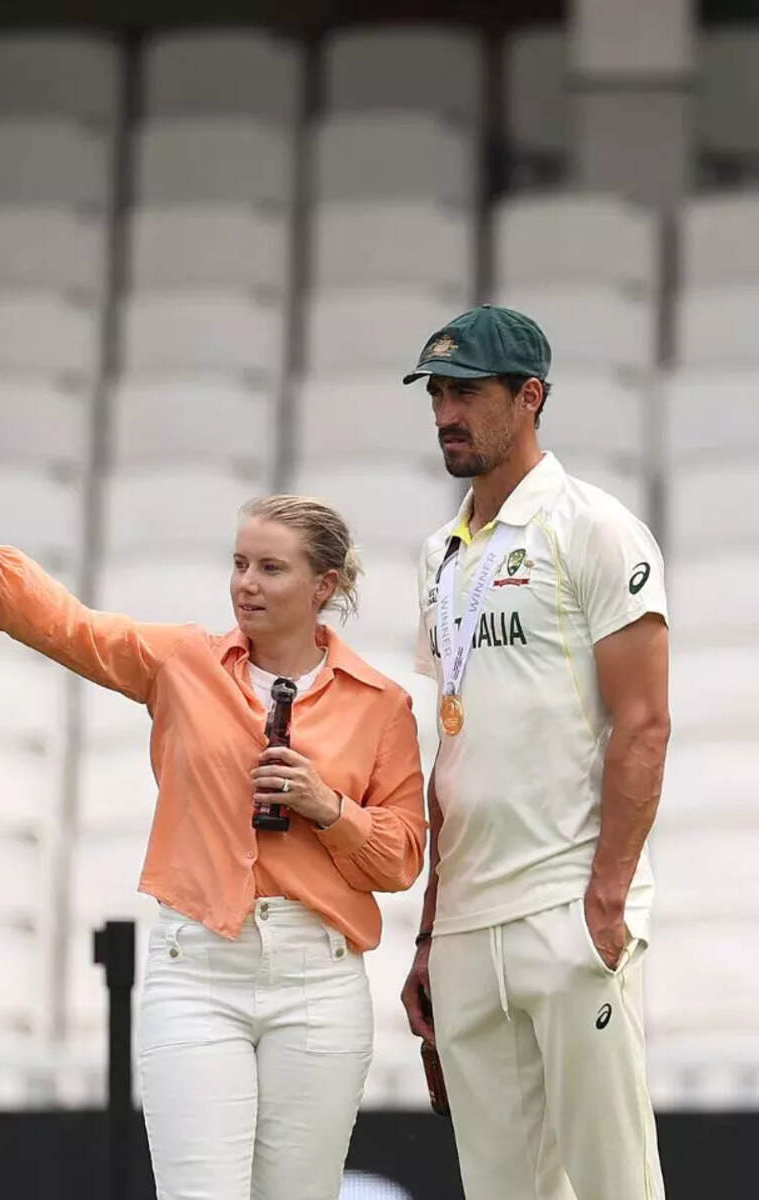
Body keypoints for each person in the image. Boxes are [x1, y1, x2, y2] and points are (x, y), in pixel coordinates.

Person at [0, 446, 426, 1200]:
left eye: (271, 568)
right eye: (239, 563)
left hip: (318, 982)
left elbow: (401, 861)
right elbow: (64, 627)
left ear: (323, 585)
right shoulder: (181, 661)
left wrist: (328, 810)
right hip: (196, 968)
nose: (245, 584)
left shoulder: (381, 704)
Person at [398, 306, 670, 1200]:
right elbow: (451, 747)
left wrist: (605, 900)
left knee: (614, 1187)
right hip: (471, 925)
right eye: (437, 392)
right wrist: (432, 932)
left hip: (567, 908)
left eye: (466, 391)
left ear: (530, 397)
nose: (446, 411)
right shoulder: (441, 554)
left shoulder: (594, 528)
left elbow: (644, 725)